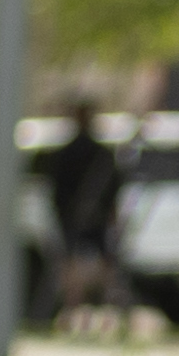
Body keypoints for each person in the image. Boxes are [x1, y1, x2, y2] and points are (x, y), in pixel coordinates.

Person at [44, 104, 130, 332]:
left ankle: (93, 315)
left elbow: (112, 187)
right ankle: (80, 314)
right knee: (84, 266)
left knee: (94, 266)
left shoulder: (95, 154)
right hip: (82, 218)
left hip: (85, 218)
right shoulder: (92, 153)